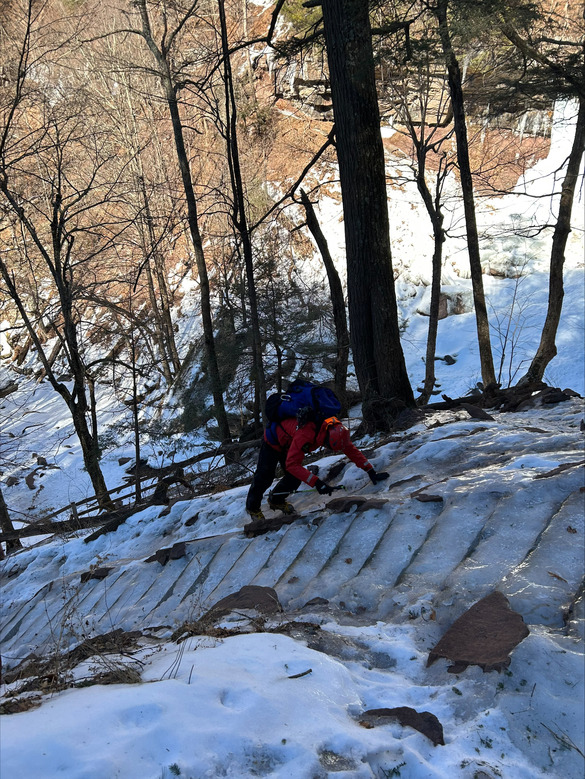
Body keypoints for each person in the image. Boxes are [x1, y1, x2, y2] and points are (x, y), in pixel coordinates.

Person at [246, 406, 389, 519]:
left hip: (290, 442)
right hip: (273, 441)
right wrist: (317, 483)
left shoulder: (335, 430)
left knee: (294, 478)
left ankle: (276, 500)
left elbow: (350, 449)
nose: (330, 451)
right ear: (327, 441)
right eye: (330, 448)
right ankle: (253, 508)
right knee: (265, 476)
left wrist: (370, 471)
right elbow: (292, 464)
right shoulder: (306, 433)